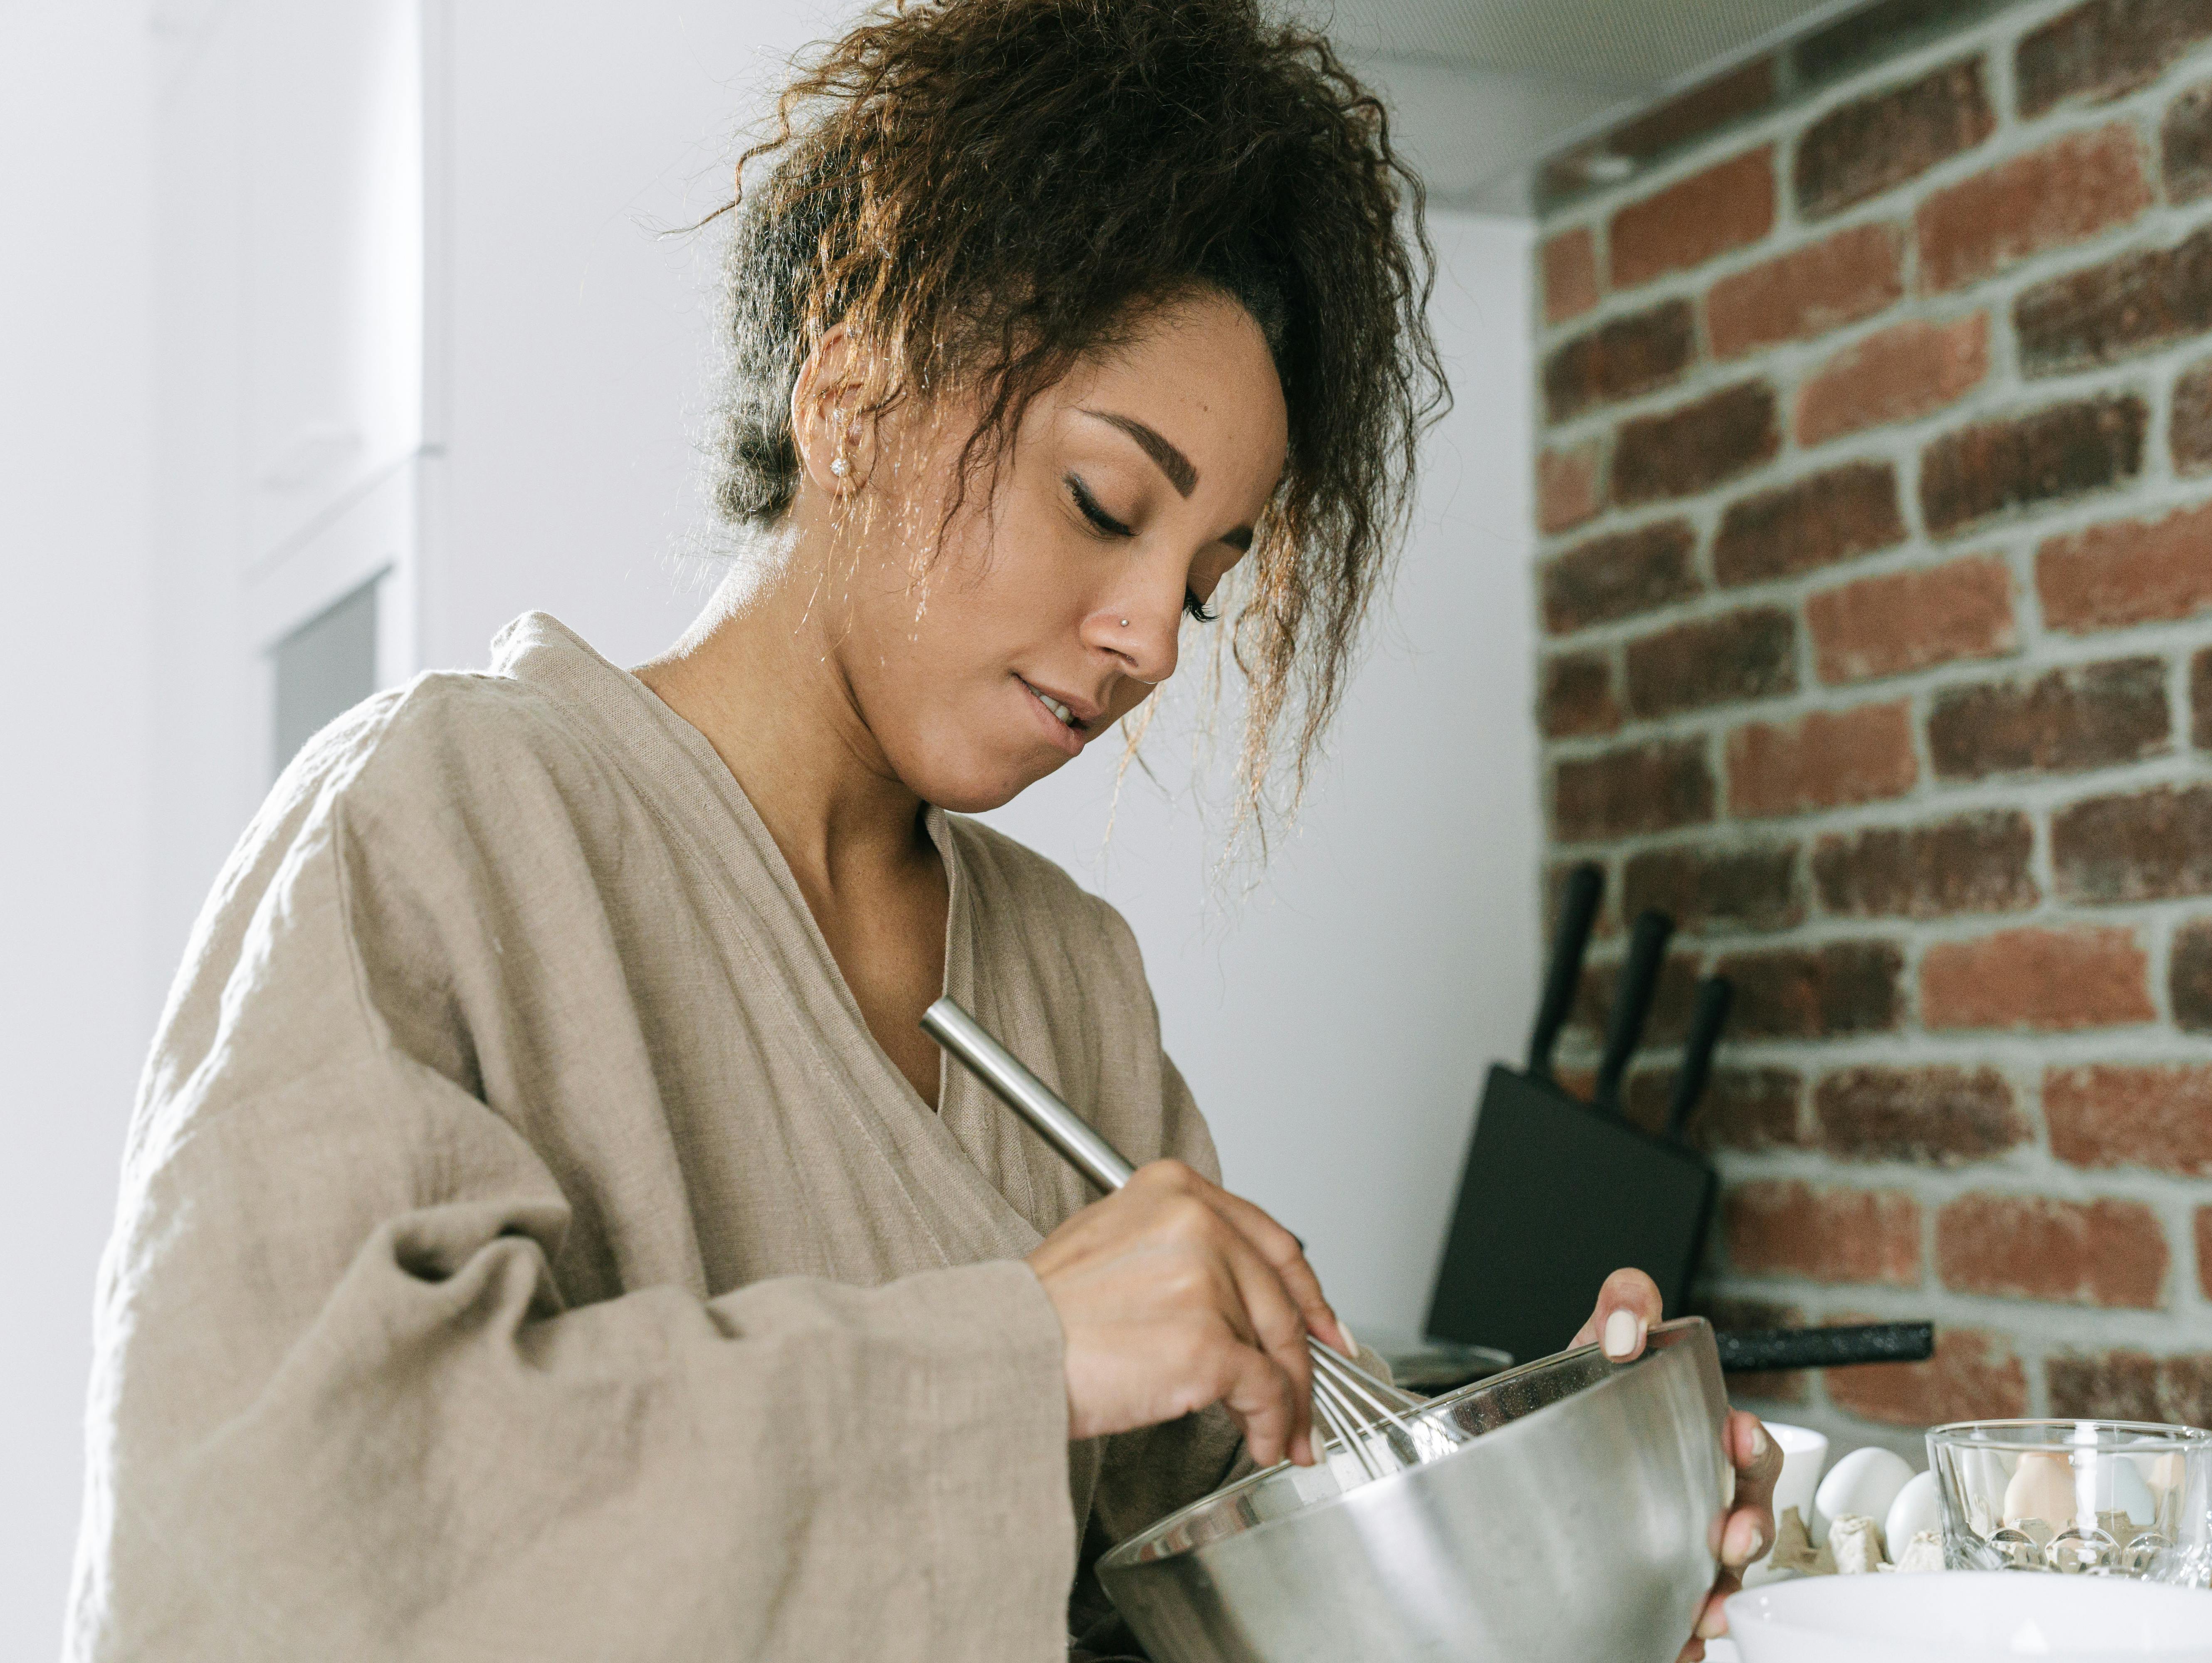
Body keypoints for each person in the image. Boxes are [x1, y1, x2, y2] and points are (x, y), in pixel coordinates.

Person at [69, 2, 1776, 1658]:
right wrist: (1022, 1355)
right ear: (850, 397)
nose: (1153, 639)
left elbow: (1208, 1559)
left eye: (1203, 578)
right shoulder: (439, 822)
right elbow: (277, 1536)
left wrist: (1553, 1530)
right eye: (1102, 503)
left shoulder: (1068, 974)